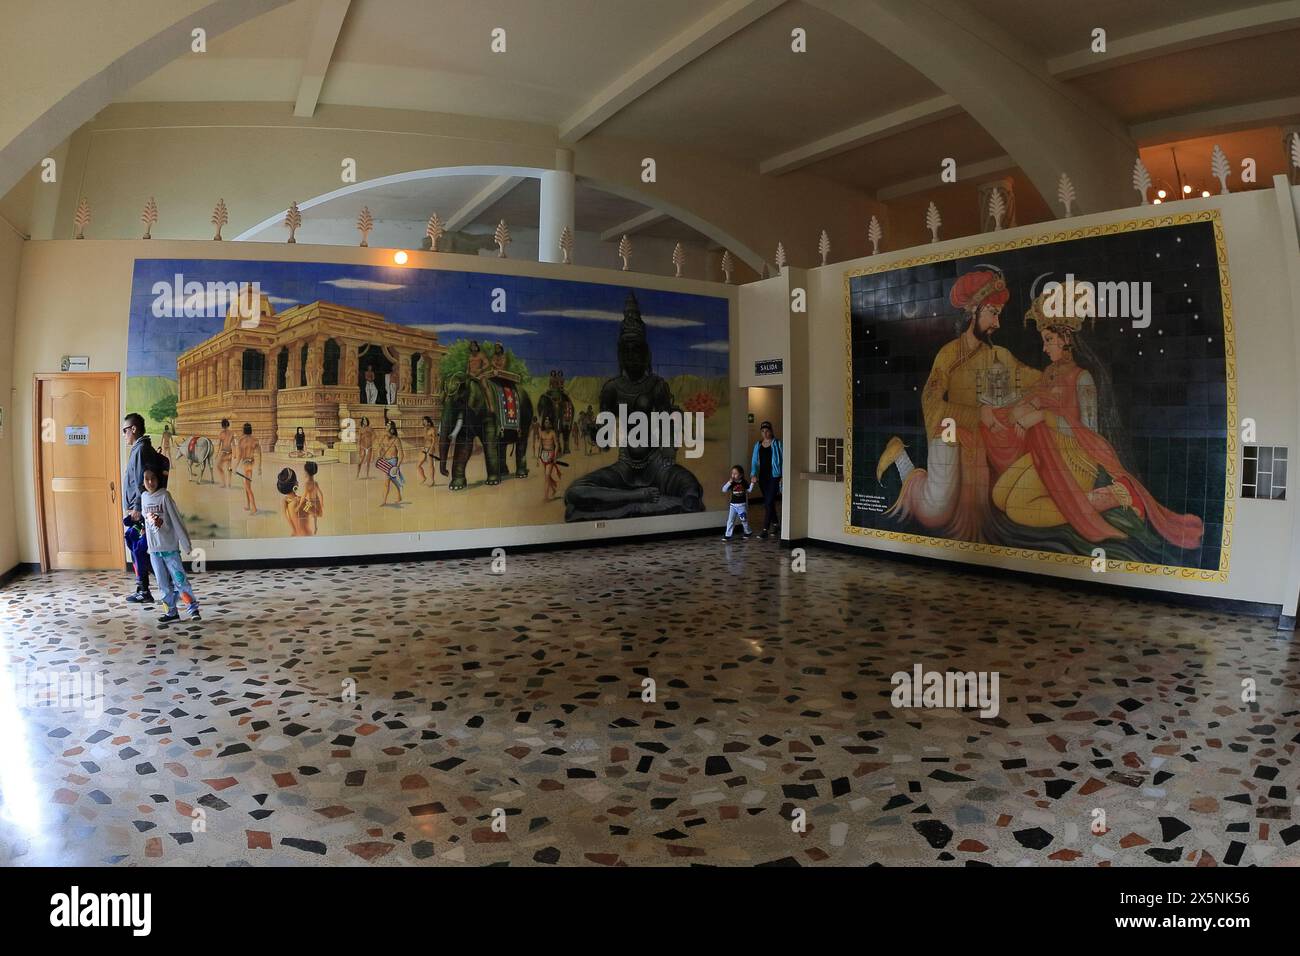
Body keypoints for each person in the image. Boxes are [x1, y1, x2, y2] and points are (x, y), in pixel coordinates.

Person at [980, 293, 1204, 549]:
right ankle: (1074, 499)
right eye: (1044, 341)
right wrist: (1009, 409)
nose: (1044, 348)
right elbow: (1032, 399)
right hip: (1048, 452)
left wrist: (1043, 416)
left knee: (1018, 508)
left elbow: (1088, 431)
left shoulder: (1082, 378)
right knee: (999, 497)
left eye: (1049, 340)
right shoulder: (1050, 372)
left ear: (1066, 339)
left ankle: (1111, 496)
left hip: (1077, 459)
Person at [874, 267, 1040, 542]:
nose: (997, 323)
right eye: (993, 313)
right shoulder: (949, 354)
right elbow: (931, 401)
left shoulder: (998, 355)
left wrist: (1060, 373)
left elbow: (1028, 377)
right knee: (934, 512)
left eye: (999, 314)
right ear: (973, 310)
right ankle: (900, 457)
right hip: (949, 431)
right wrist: (977, 415)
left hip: (984, 437)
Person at [140, 465, 200, 624]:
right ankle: (171, 612)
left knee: (180, 580)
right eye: (147, 479)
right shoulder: (144, 497)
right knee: (163, 585)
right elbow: (146, 522)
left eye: (153, 478)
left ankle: (193, 609)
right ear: (143, 481)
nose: (150, 482)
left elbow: (176, 520)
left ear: (158, 480)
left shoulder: (165, 496)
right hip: (154, 552)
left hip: (170, 549)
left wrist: (186, 544)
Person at [121, 413, 156, 603]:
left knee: (138, 547)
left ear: (133, 429)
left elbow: (144, 480)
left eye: (124, 430)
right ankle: (143, 588)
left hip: (140, 511)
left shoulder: (141, 449)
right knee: (137, 547)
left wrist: (136, 507)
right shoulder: (138, 448)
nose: (124, 434)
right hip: (138, 510)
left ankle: (148, 588)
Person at [750, 421, 783, 539]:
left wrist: (783, 476)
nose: (765, 433)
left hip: (774, 476)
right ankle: (776, 524)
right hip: (763, 477)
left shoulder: (777, 444)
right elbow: (754, 461)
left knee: (768, 502)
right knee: (769, 502)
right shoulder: (758, 445)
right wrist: (753, 474)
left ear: (771, 431)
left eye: (767, 431)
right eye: (763, 431)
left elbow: (784, 460)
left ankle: (765, 529)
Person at [722, 465, 755, 540]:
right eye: (732, 473)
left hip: (742, 506)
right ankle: (728, 535)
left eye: (735, 473)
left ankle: (748, 532)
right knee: (730, 520)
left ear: (741, 475)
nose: (733, 475)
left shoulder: (744, 482)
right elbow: (724, 490)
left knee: (744, 520)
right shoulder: (732, 483)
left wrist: (752, 483)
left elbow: (749, 490)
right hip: (732, 506)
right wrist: (729, 483)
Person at [376, 420, 405, 506]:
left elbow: (401, 454)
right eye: (386, 429)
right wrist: (379, 455)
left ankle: (384, 501)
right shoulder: (384, 438)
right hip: (385, 461)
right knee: (393, 480)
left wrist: (397, 467)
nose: (386, 431)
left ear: (392, 430)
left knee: (387, 481)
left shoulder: (396, 440)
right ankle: (399, 494)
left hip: (393, 462)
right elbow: (379, 448)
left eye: (388, 430)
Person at [236, 422, 263, 513]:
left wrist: (235, 466)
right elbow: (259, 454)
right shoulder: (255, 440)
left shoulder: (241, 440)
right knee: (247, 486)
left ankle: (254, 507)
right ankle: (248, 505)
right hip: (251, 464)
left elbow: (239, 455)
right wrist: (259, 467)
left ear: (243, 430)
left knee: (247, 487)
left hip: (244, 465)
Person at [277, 467, 309, 536]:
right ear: (295, 484)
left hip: (294, 536)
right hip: (304, 536)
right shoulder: (300, 501)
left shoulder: (284, 502)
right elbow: (317, 512)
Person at [536, 414, 561, 501]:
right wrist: (538, 458)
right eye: (545, 423)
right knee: (547, 476)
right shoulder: (542, 433)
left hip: (550, 455)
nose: (546, 424)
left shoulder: (553, 433)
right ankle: (553, 489)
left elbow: (557, 445)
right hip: (543, 455)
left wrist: (554, 456)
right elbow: (540, 446)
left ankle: (546, 496)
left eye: (548, 423)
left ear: (550, 424)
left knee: (547, 476)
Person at [300, 460, 324, 535]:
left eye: (304, 471)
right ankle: (315, 527)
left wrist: (299, 505)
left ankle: (310, 526)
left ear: (307, 473)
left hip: (310, 503)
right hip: (316, 502)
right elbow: (321, 494)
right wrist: (322, 503)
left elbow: (304, 496)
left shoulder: (307, 484)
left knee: (305, 510)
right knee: (314, 515)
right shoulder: (315, 483)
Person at [417, 415, 439, 486]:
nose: (424, 423)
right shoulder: (425, 429)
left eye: (425, 422)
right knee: (418, 465)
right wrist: (423, 448)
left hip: (430, 448)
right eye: (423, 422)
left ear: (429, 422)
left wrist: (431, 449)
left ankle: (432, 481)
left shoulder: (433, 429)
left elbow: (434, 440)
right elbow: (425, 439)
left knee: (430, 465)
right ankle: (423, 478)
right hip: (425, 448)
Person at [216, 418, 235, 487]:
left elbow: (218, 445)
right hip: (229, 453)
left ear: (222, 425)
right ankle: (228, 483)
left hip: (224, 453)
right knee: (229, 468)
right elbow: (233, 444)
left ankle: (224, 483)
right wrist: (235, 454)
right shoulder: (231, 433)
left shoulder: (221, 434)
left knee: (219, 466)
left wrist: (216, 454)